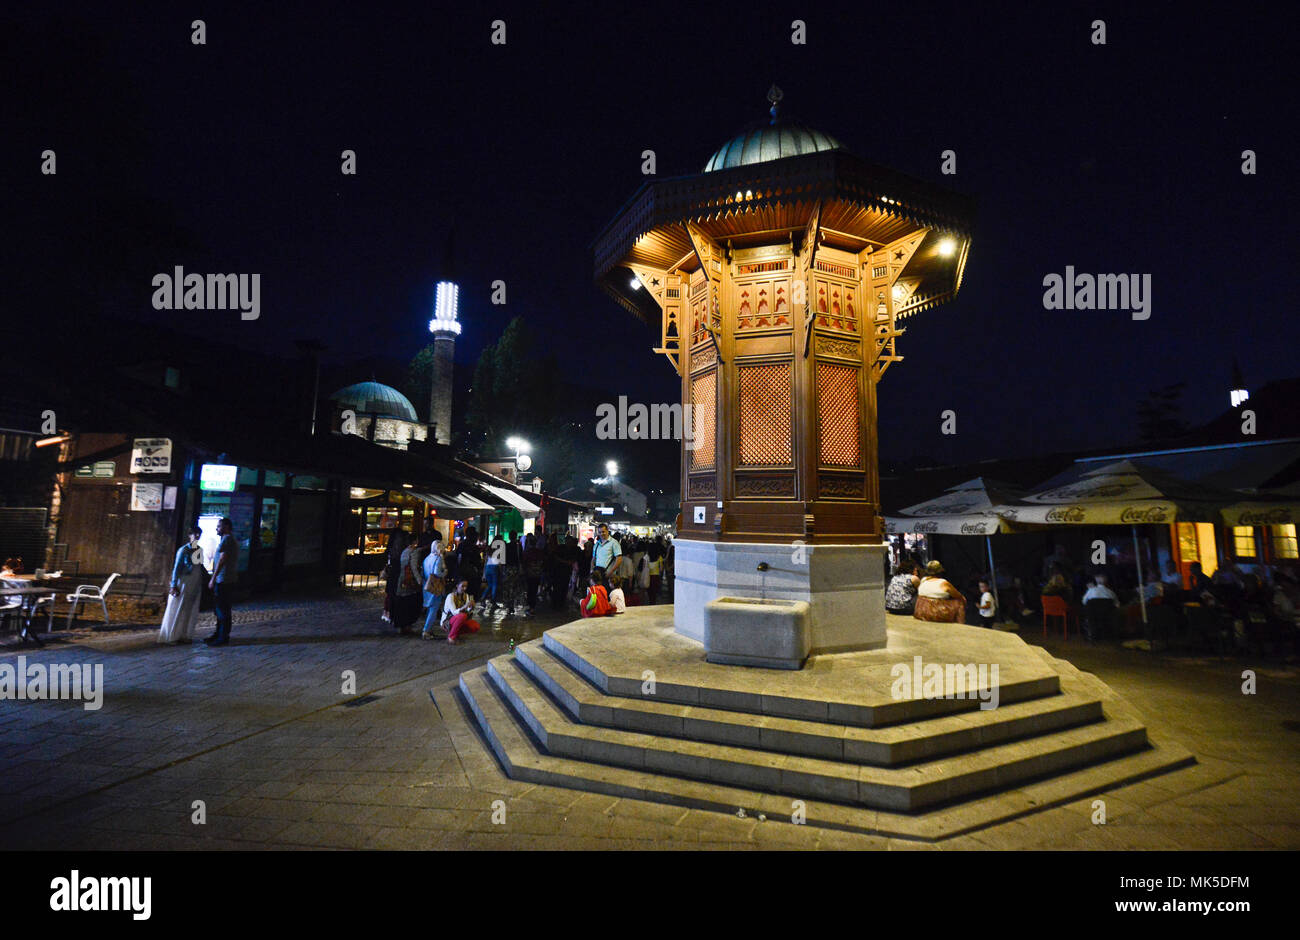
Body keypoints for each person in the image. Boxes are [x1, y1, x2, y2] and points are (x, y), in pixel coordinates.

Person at [159, 526, 206, 644]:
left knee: (189, 609)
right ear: (190, 535)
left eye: (198, 534)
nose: (197, 536)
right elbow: (177, 568)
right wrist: (174, 585)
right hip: (185, 580)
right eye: (195, 534)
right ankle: (172, 635)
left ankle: (184, 634)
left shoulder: (199, 549)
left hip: (195, 581)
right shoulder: (184, 550)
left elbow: (200, 566)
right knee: (178, 607)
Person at [205, 517, 238, 646]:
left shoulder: (227, 540)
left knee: (222, 608)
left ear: (226, 527)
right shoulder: (227, 539)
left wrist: (213, 578)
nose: (217, 529)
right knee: (221, 608)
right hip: (225, 579)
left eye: (219, 526)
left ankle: (222, 637)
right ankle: (218, 634)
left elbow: (222, 559)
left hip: (224, 579)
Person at [394, 533, 428, 634]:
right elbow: (414, 567)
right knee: (411, 604)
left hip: (402, 580)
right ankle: (407, 625)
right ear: (415, 541)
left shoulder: (404, 551)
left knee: (403, 604)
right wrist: (419, 580)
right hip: (410, 582)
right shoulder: (414, 552)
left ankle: (402, 626)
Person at [421, 533, 448, 639]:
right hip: (435, 586)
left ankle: (428, 629)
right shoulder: (438, 559)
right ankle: (426, 630)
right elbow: (437, 572)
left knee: (430, 608)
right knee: (434, 608)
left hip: (427, 585)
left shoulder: (427, 558)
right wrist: (445, 572)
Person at [382, 528, 410, 623]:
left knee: (392, 596)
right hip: (397, 575)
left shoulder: (391, 548)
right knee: (397, 597)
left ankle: (392, 617)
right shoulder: (400, 549)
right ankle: (397, 619)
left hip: (392, 576)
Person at [441, 580, 480, 644]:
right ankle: (451, 637)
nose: (464, 588)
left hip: (459, 619)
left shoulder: (466, 595)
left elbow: (467, 611)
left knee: (475, 626)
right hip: (447, 621)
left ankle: (455, 632)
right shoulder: (450, 596)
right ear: (457, 586)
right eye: (462, 586)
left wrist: (471, 607)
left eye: (466, 586)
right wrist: (464, 607)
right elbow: (454, 612)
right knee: (462, 616)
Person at [522, 533, 545, 616]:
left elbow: (524, 563)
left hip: (529, 574)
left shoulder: (526, 552)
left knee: (529, 590)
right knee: (534, 590)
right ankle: (532, 607)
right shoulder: (539, 552)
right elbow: (542, 563)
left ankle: (529, 606)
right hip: (537, 574)